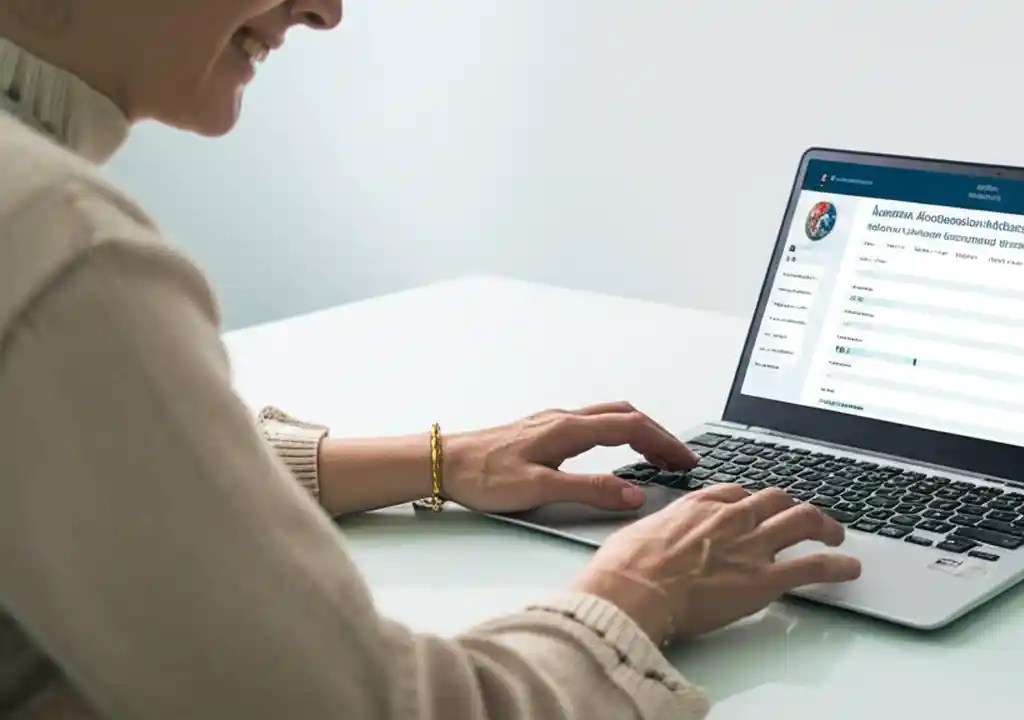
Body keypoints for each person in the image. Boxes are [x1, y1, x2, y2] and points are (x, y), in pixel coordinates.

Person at [0, 1, 862, 718]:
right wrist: (638, 593)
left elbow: (93, 470)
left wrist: (437, 461)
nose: (326, 11)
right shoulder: (62, 249)